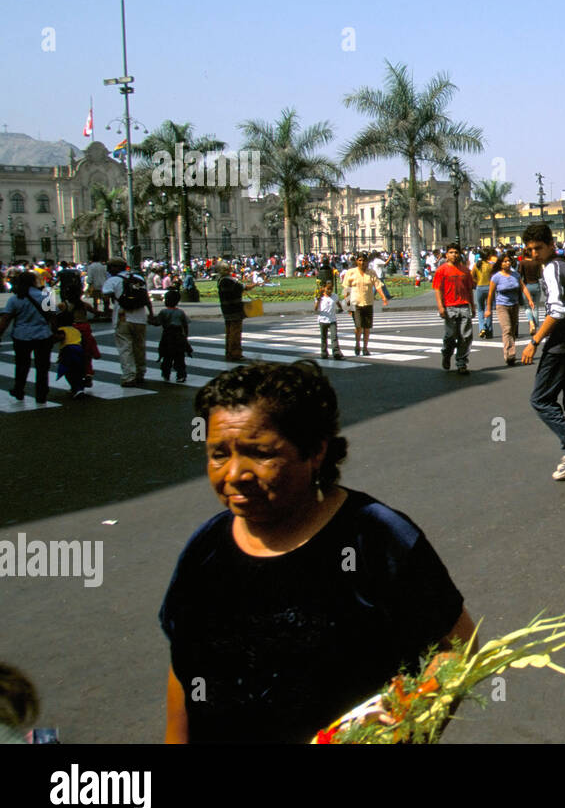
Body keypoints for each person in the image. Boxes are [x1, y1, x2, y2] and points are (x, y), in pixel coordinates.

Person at [160, 361, 476, 743]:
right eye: (218, 454)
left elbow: (458, 648)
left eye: (259, 453)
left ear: (315, 451)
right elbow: (183, 669)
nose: (234, 474)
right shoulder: (205, 550)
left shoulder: (375, 537)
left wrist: (408, 726)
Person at [521, 222, 565, 480]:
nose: (534, 254)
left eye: (538, 248)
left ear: (551, 244)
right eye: (529, 249)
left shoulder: (552, 268)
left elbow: (557, 311)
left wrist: (534, 341)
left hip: (561, 344)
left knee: (540, 399)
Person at [0, 272, 55, 404]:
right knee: (42, 366)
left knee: (22, 365)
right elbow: (52, 316)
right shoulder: (44, 296)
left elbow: (6, 319)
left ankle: (19, 389)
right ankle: (41, 393)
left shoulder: (15, 299)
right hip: (43, 334)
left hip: (21, 335)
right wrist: (55, 331)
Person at [104, 257, 154, 385]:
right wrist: (151, 314)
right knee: (140, 347)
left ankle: (129, 376)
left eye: (110, 267)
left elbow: (105, 295)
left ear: (116, 267)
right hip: (140, 317)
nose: (108, 269)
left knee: (125, 347)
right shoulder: (139, 278)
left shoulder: (113, 280)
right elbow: (146, 298)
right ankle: (140, 373)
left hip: (123, 316)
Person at [432, 244, 475, 374]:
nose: (454, 255)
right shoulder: (442, 270)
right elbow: (437, 289)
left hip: (463, 306)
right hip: (449, 307)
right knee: (450, 336)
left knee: (466, 336)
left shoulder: (465, 271)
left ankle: (461, 363)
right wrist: (440, 306)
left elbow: (469, 289)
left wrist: (472, 305)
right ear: (446, 255)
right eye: (451, 252)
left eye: (456, 252)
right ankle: (446, 354)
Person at [342, 254, 389, 357]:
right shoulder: (351, 273)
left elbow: (378, 285)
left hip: (368, 303)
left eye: (364, 260)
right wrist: (347, 305)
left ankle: (365, 348)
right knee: (358, 327)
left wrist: (383, 297)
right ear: (357, 262)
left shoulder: (371, 273)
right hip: (356, 303)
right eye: (360, 260)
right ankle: (357, 344)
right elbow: (346, 289)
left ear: (367, 261)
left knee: (367, 328)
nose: (362, 262)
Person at [487, 253, 525, 366]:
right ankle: (510, 354)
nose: (507, 263)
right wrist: (488, 309)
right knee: (507, 329)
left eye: (508, 261)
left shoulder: (516, 275)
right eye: (504, 261)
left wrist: (529, 300)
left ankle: (510, 351)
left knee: (512, 330)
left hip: (514, 305)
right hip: (502, 305)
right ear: (500, 264)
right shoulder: (496, 277)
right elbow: (490, 294)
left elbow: (523, 287)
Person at [216, 261, 256, 363]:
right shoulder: (229, 281)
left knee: (229, 332)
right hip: (235, 309)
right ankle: (235, 353)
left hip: (226, 308)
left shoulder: (220, 281)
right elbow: (244, 288)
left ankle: (229, 352)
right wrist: (254, 285)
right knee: (235, 332)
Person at [150, 288, 192, 383]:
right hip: (178, 336)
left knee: (167, 357)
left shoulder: (163, 312)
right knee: (179, 357)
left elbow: (157, 323)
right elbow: (185, 325)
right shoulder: (180, 312)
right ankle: (181, 375)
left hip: (167, 336)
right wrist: (185, 336)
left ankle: (166, 373)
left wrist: (150, 320)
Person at [315, 280, 345, 361]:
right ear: (324, 288)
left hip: (332, 320)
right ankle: (324, 352)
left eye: (331, 289)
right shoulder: (320, 297)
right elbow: (315, 308)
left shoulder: (334, 296)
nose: (329, 291)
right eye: (328, 289)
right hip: (322, 320)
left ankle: (336, 352)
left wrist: (341, 309)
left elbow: (338, 304)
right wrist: (318, 300)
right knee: (323, 337)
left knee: (334, 336)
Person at [472, 249, 497, 338]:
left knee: (480, 309)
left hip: (479, 287)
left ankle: (482, 327)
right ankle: (489, 330)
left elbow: (472, 276)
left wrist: (477, 281)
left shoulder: (476, 265)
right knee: (488, 309)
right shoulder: (491, 265)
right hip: (489, 287)